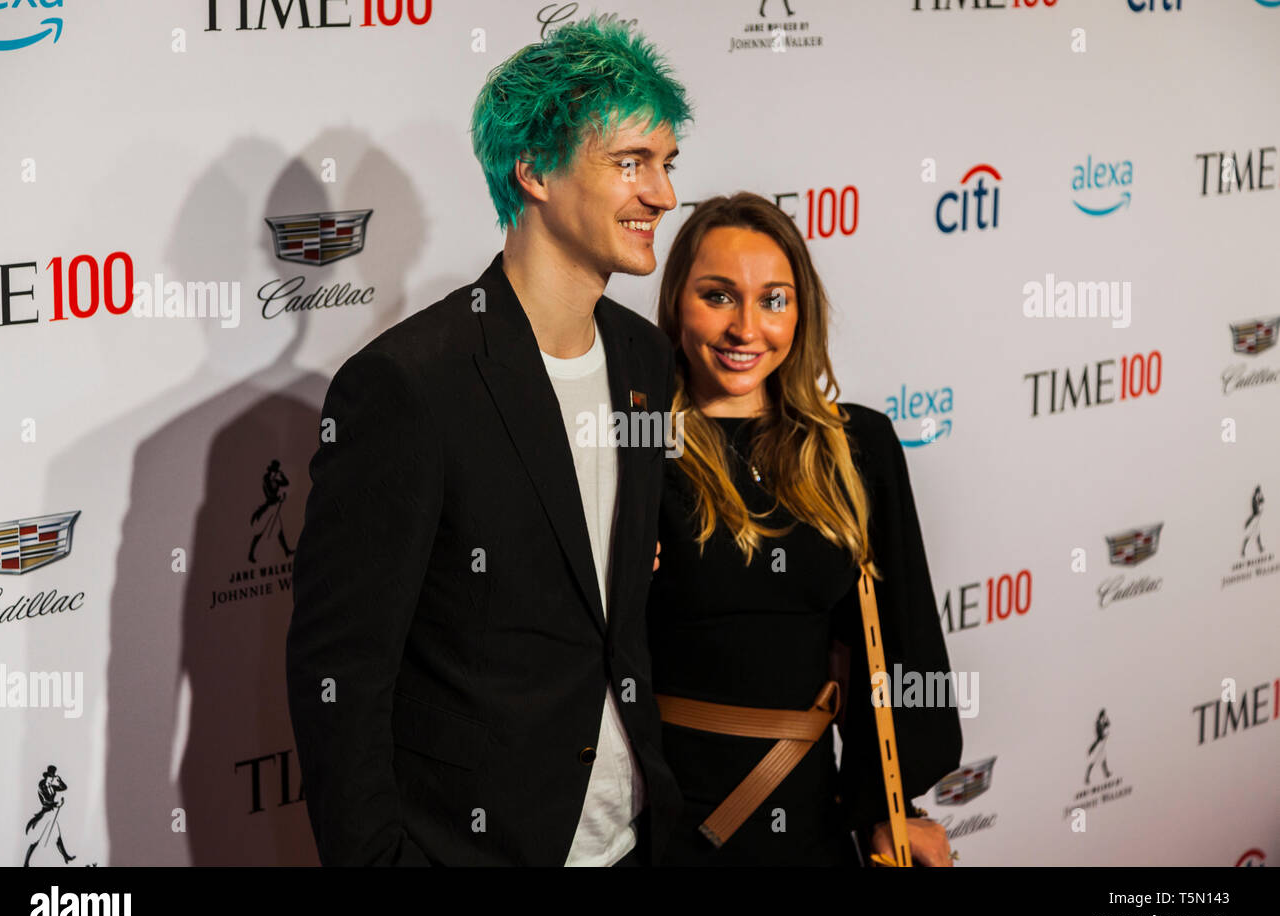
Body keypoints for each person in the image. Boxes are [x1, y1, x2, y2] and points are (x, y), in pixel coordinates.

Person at [284, 18, 692, 865]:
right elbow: (342, 679)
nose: (662, 195)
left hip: (632, 840)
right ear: (535, 169)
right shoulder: (408, 387)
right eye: (630, 163)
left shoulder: (646, 356)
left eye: (666, 165)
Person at [646, 192, 963, 866]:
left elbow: (896, 648)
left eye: (774, 300)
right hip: (661, 829)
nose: (747, 328)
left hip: (812, 825)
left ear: (802, 311)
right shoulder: (635, 448)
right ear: (677, 301)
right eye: (718, 295)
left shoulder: (857, 446)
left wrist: (890, 808)